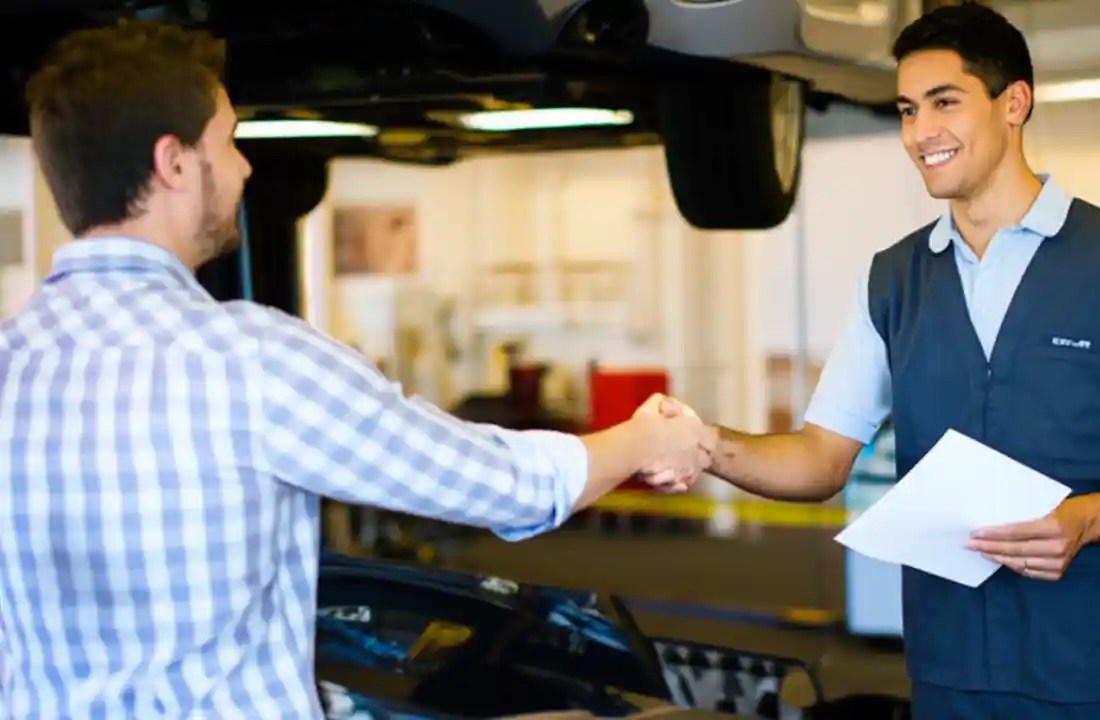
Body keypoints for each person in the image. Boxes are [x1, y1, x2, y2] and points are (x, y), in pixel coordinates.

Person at [0, 19, 712, 719]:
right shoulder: (247, 360)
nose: (247, 166)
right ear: (174, 164)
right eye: (231, 142)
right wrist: (645, 439)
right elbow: (501, 484)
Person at [641, 2, 1100, 718]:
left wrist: (1089, 518)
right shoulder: (893, 280)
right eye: (905, 109)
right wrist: (709, 444)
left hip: (1095, 671)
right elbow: (819, 458)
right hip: (948, 671)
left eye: (944, 103)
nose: (920, 132)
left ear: (1014, 102)